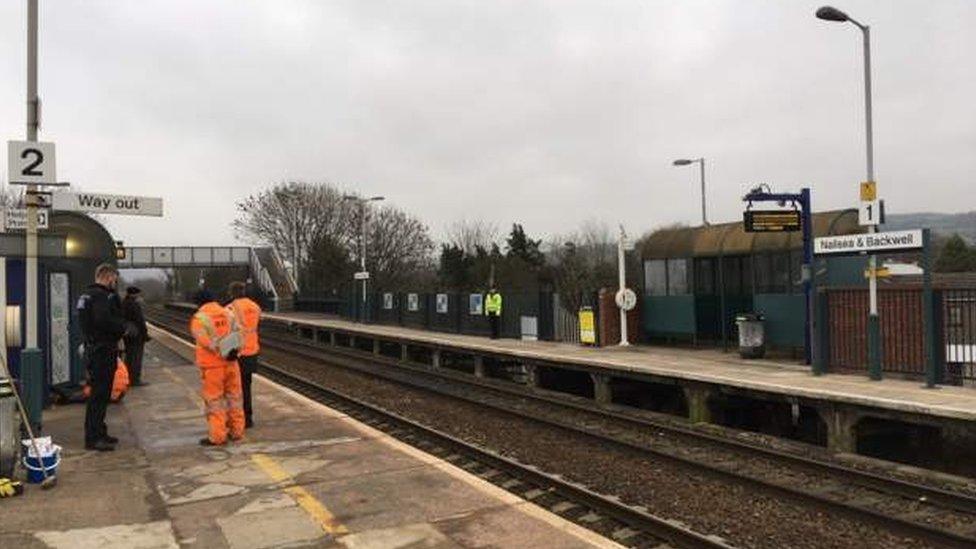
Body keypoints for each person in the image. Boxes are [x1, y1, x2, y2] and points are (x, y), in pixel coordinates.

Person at [78, 263, 126, 452]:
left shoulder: (86, 295)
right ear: (107, 277)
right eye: (114, 279)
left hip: (94, 348)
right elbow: (103, 321)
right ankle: (93, 438)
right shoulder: (101, 296)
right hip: (102, 350)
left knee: (100, 393)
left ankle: (99, 431)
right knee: (99, 395)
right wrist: (123, 327)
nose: (115, 282)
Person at [190, 289, 245, 446]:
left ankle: (218, 436)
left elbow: (205, 341)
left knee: (215, 401)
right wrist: (235, 351)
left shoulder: (199, 318)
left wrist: (221, 350)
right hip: (232, 363)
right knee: (234, 398)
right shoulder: (228, 313)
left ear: (198, 302)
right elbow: (240, 334)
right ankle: (237, 431)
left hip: (212, 366)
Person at [226, 281, 261, 429]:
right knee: (247, 387)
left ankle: (237, 420)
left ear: (232, 293)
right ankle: (248, 418)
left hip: (237, 353)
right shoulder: (255, 307)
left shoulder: (230, 308)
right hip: (252, 351)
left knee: (234, 389)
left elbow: (227, 331)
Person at [122, 286, 149, 386]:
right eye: (138, 294)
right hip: (137, 336)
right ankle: (135, 379)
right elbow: (140, 321)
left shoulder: (124, 303)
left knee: (129, 357)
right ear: (134, 294)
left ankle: (128, 378)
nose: (139, 296)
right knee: (136, 358)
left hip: (128, 335)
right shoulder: (134, 305)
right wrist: (145, 334)